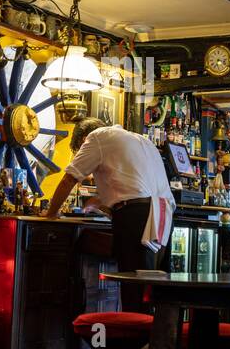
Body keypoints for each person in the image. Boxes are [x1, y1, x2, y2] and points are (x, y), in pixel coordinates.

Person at [45, 118, 175, 309]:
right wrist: (99, 202)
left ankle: (136, 337)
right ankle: (156, 337)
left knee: (134, 289)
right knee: (153, 290)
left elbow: (68, 180)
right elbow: (135, 188)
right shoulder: (141, 140)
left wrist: (50, 214)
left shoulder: (97, 137)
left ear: (83, 139)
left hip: (138, 216)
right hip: (165, 214)